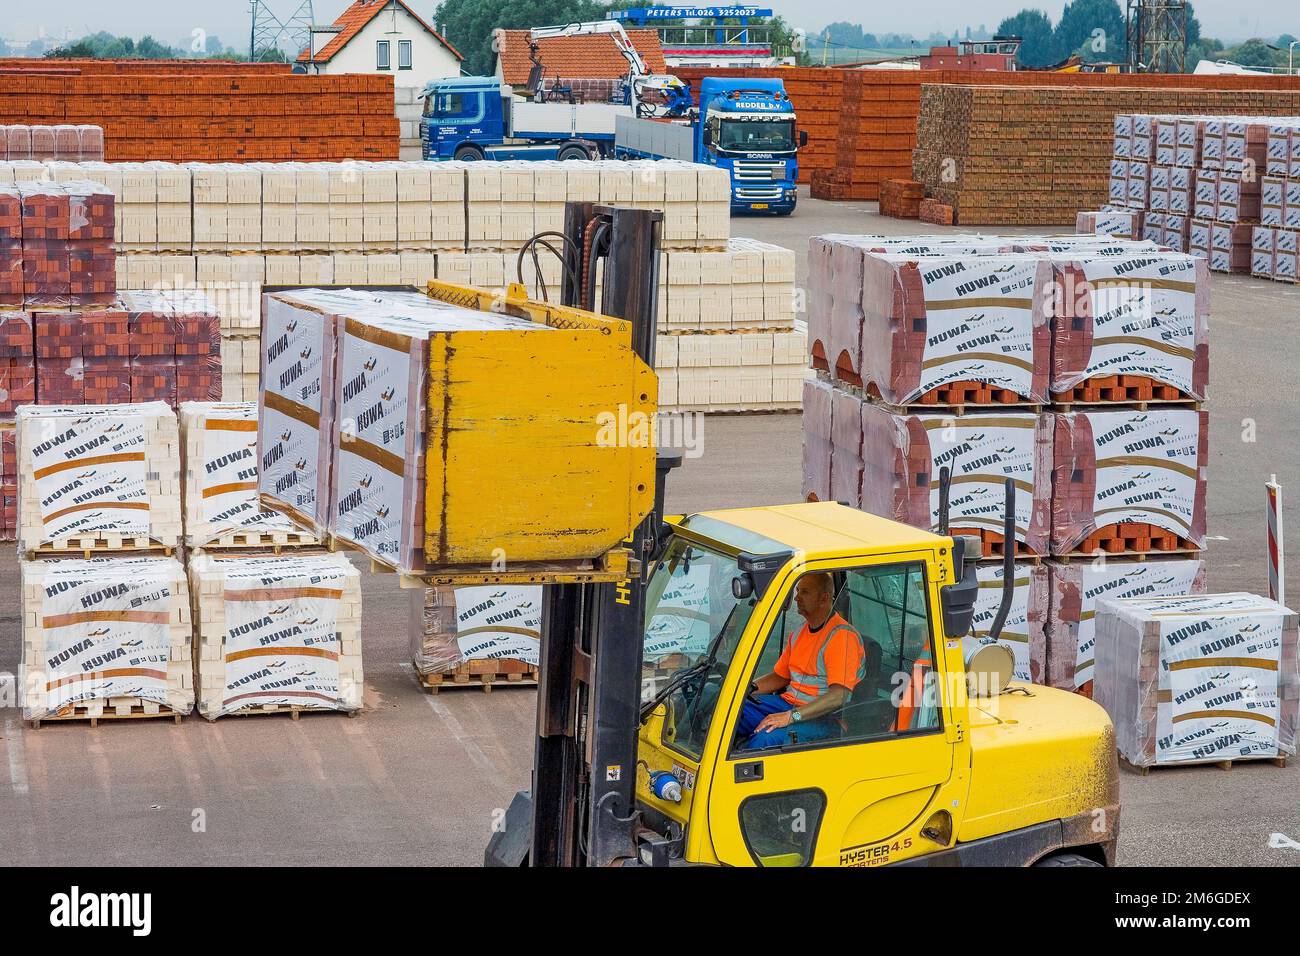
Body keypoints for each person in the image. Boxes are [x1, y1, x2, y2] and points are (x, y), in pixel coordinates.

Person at [738, 572, 865, 750]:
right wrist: (742, 689)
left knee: (765, 738)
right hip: (789, 704)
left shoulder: (842, 637)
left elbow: (838, 697)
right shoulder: (799, 633)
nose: (797, 597)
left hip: (825, 718)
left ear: (824, 598)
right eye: (797, 590)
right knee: (731, 711)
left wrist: (791, 717)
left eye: (804, 592)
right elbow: (780, 677)